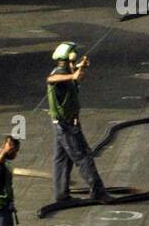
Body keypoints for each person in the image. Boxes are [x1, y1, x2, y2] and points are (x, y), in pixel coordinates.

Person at [47, 43, 111, 205]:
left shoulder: (66, 71)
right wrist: (73, 75)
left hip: (61, 124)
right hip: (67, 125)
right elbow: (51, 79)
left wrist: (80, 68)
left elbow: (76, 76)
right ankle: (98, 192)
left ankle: (61, 195)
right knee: (83, 157)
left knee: (61, 159)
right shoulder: (60, 75)